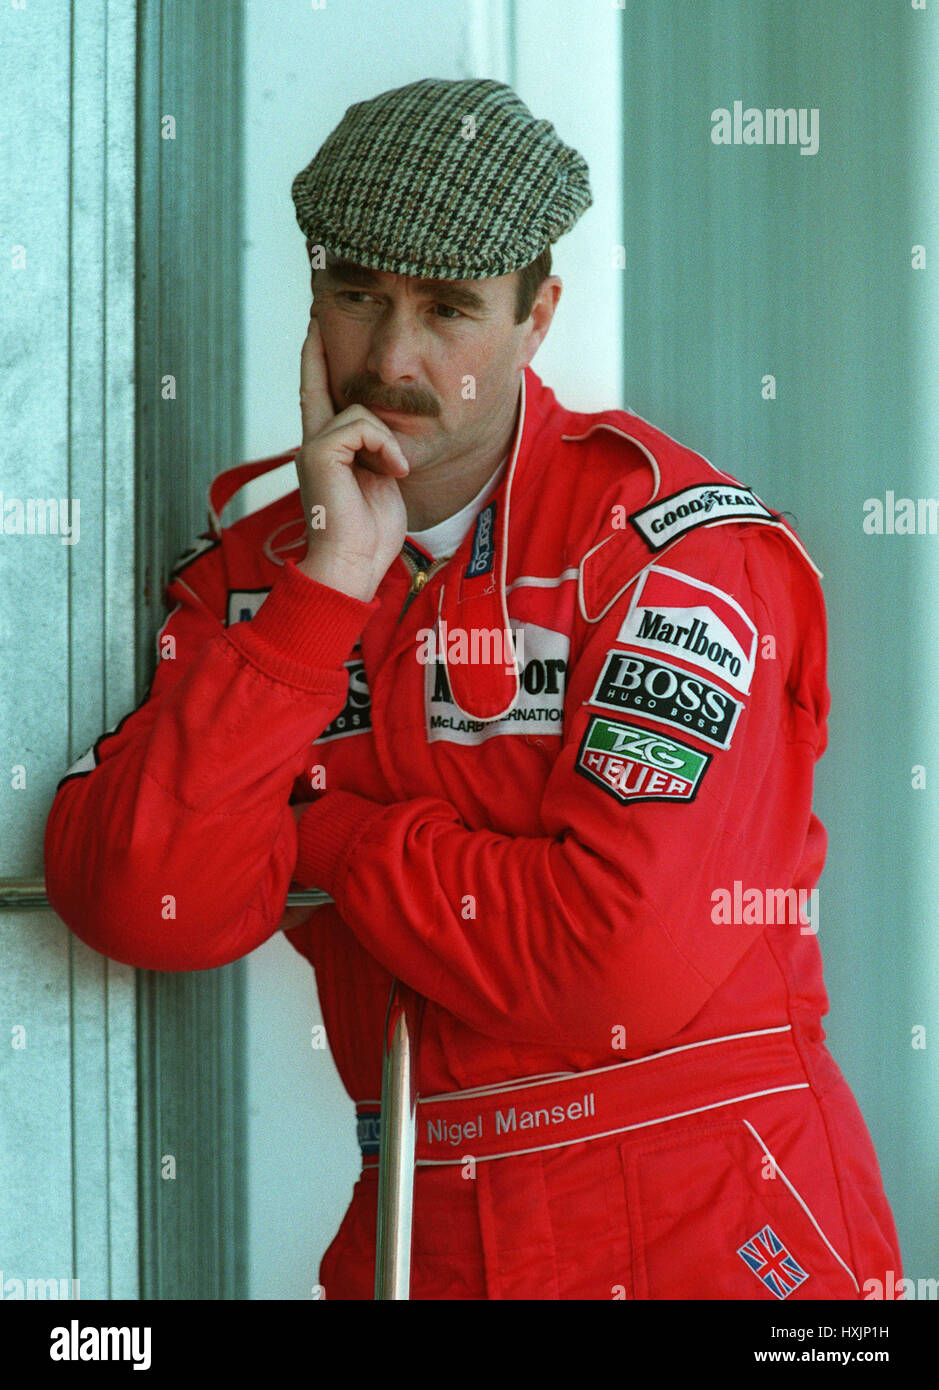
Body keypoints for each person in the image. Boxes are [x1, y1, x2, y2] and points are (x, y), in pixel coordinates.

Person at [44, 77, 901, 1301]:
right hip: (425, 1224)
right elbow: (145, 903)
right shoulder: (260, 579)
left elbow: (618, 963)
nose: (391, 359)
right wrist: (327, 590)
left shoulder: (668, 551)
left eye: (449, 310)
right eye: (356, 297)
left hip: (721, 1218)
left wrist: (332, 840)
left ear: (537, 314)